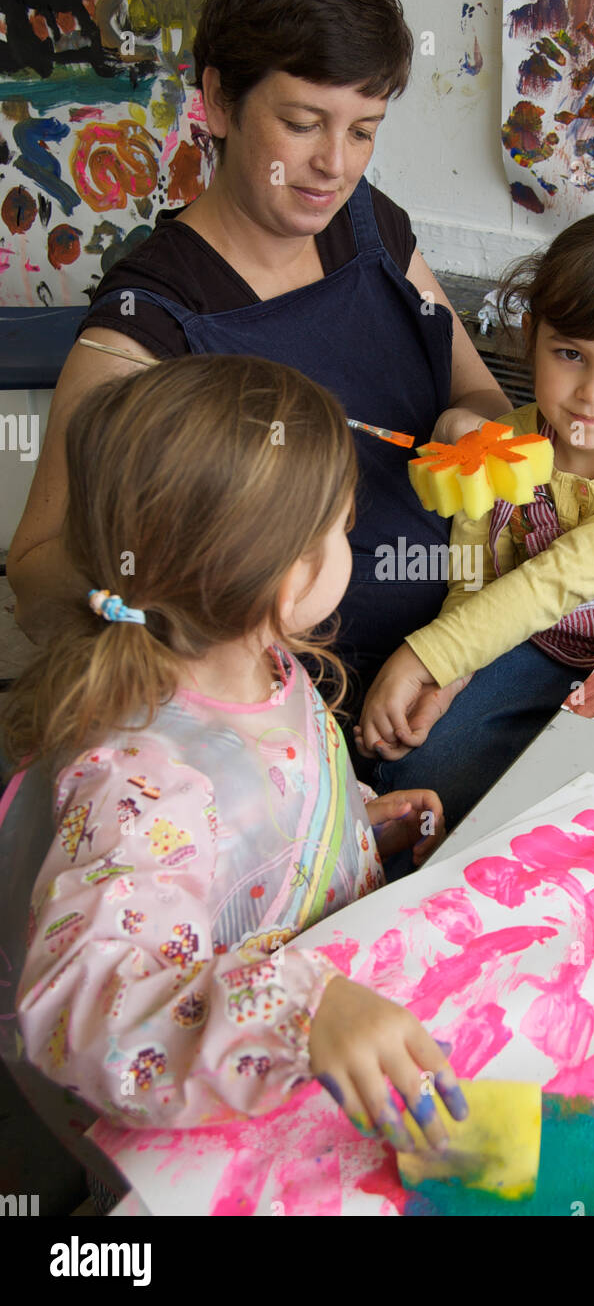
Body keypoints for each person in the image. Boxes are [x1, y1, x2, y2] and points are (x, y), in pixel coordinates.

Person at [6, 0, 508, 728]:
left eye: (364, 131)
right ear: (217, 101)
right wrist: (189, 575)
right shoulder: (151, 322)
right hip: (303, 715)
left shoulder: (368, 223)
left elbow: (481, 395)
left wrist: (466, 429)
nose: (333, 166)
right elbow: (37, 576)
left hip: (466, 632)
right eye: (302, 124)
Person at [0, 354, 467, 1164]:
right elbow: (81, 1014)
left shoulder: (257, 663)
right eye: (343, 528)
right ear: (290, 585)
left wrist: (353, 824)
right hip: (195, 1139)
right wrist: (301, 1011)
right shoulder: (141, 785)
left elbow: (263, 799)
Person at [356, 212, 594, 829]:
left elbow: (559, 580)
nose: (593, 394)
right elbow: (473, 574)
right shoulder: (500, 445)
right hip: (537, 646)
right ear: (532, 335)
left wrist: (421, 659)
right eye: (571, 354)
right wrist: (449, 678)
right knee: (416, 774)